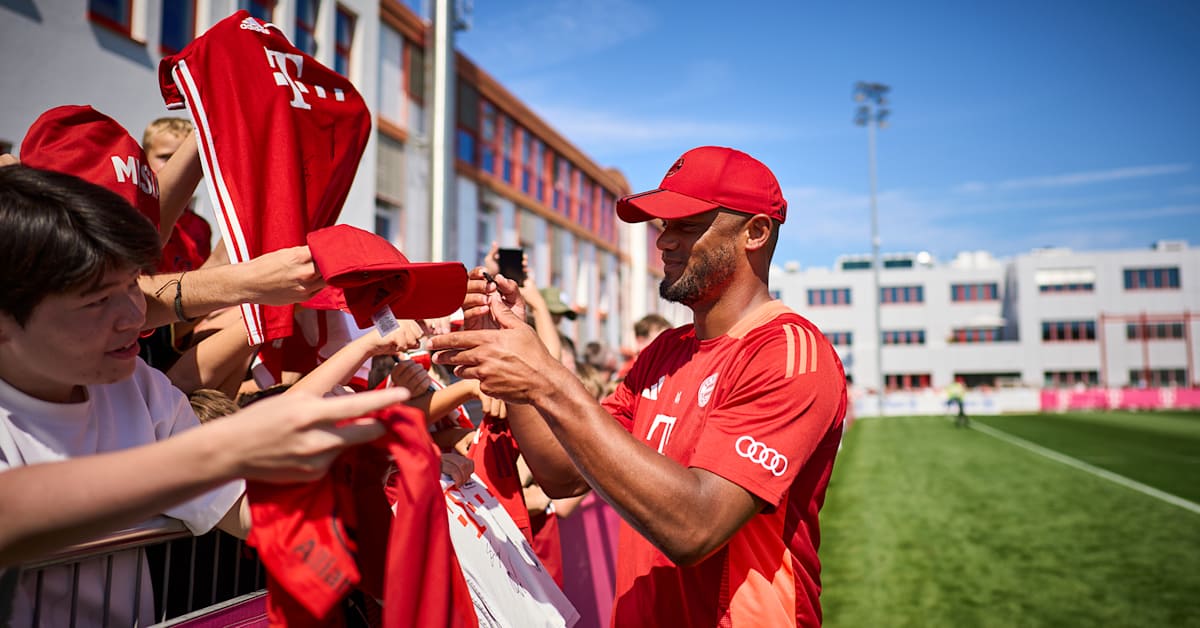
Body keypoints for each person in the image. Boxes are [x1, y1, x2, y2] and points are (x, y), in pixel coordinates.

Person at [431, 146, 848, 626]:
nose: (664, 242)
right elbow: (562, 475)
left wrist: (547, 378)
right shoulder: (665, 350)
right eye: (663, 226)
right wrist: (519, 367)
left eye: (686, 226)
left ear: (755, 232)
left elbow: (695, 528)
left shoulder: (788, 354)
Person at [0, 165, 408, 624]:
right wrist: (228, 447)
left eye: (134, 284)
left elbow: (235, 504)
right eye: (96, 301)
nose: (134, 315)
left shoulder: (138, 385)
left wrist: (354, 515)